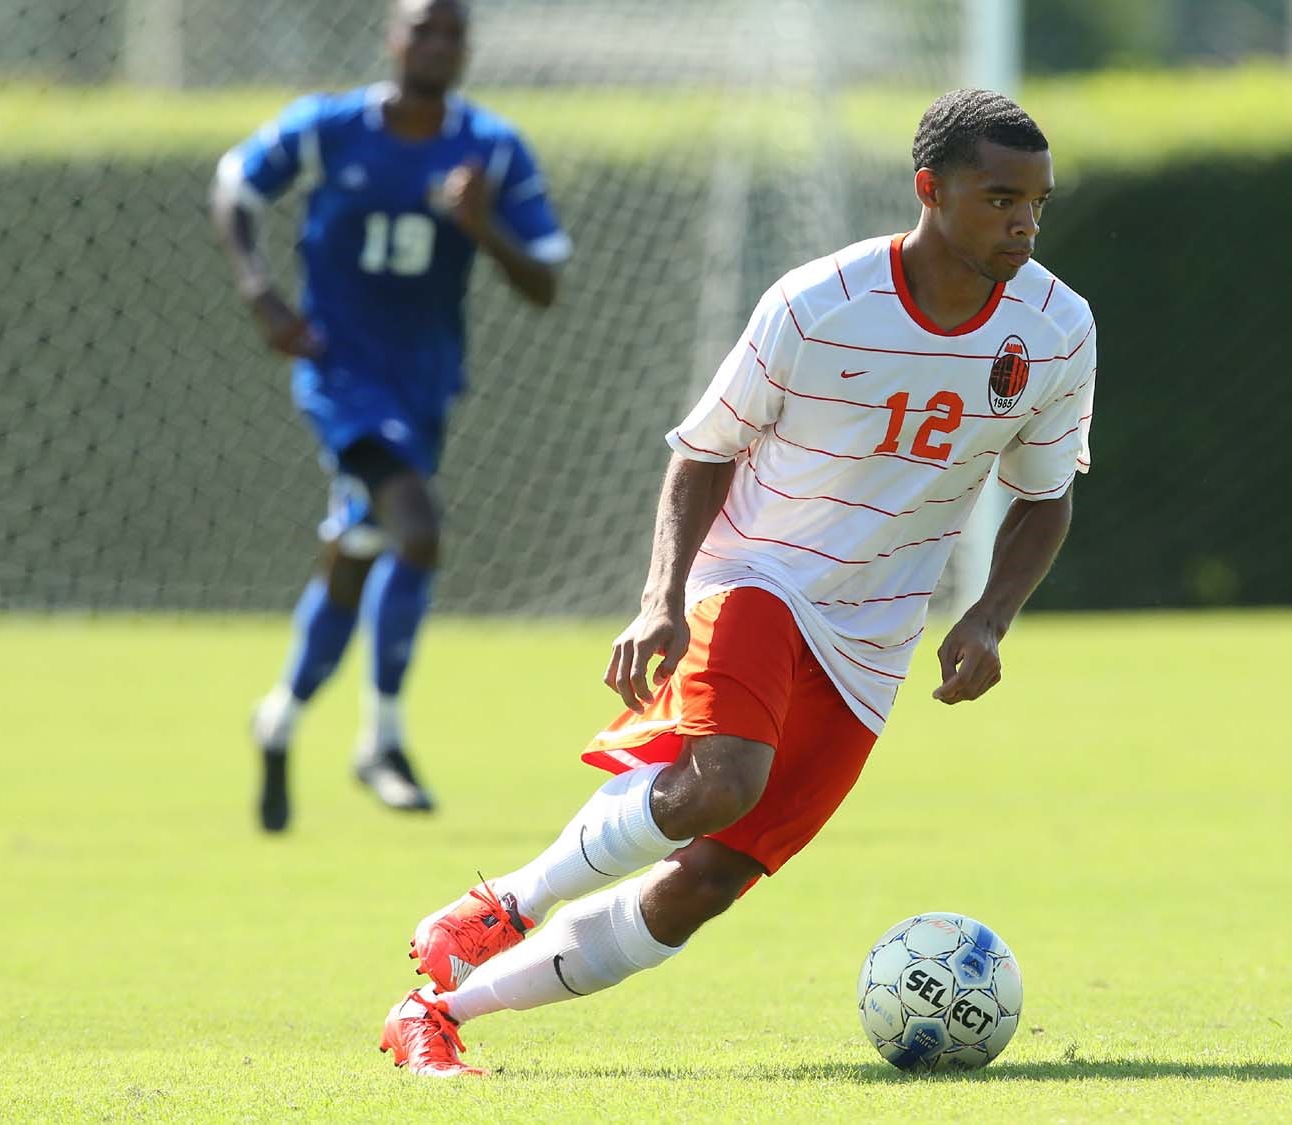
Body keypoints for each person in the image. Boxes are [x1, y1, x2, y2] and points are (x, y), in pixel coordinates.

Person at [374, 88, 1097, 1077]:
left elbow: (1044, 494)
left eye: (1037, 203)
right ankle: (500, 905)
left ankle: (436, 1014)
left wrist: (990, 616)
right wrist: (660, 598)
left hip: (874, 634)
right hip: (756, 575)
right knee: (722, 783)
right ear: (929, 190)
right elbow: (702, 454)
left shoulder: (1056, 327)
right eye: (998, 197)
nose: (1022, 222)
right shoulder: (817, 304)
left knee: (704, 883)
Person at [210, 0, 569, 831]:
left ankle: (281, 717)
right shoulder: (329, 128)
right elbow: (233, 187)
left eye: (453, 33)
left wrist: (481, 227)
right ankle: (383, 741)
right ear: (392, 37)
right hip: (342, 373)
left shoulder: (493, 148)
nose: (438, 44)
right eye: (424, 29)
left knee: (360, 548)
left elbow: (546, 282)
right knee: (419, 528)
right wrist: (259, 292)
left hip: (427, 381)